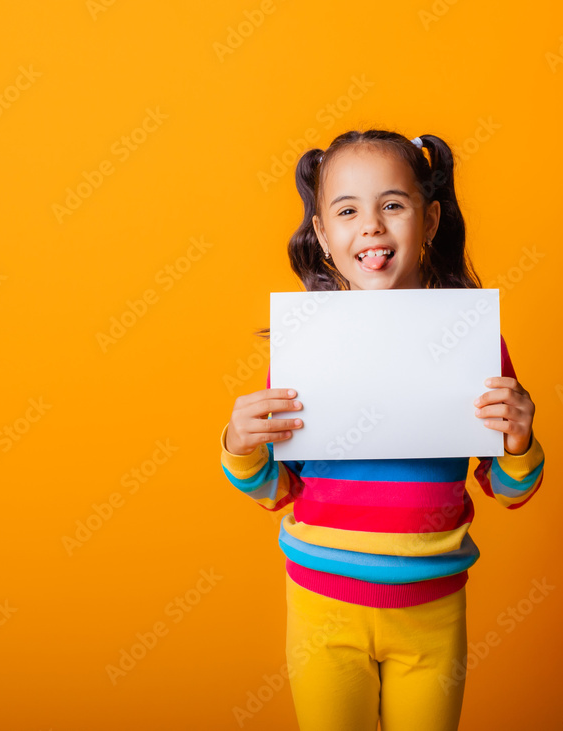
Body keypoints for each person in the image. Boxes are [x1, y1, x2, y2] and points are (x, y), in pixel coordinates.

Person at [219, 129, 545, 730]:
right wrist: (240, 449)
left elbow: (511, 490)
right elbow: (278, 491)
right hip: (322, 608)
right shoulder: (302, 352)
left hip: (432, 612)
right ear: (322, 235)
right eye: (347, 211)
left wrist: (521, 442)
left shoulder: (473, 344)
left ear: (431, 220)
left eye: (392, 205)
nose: (371, 226)